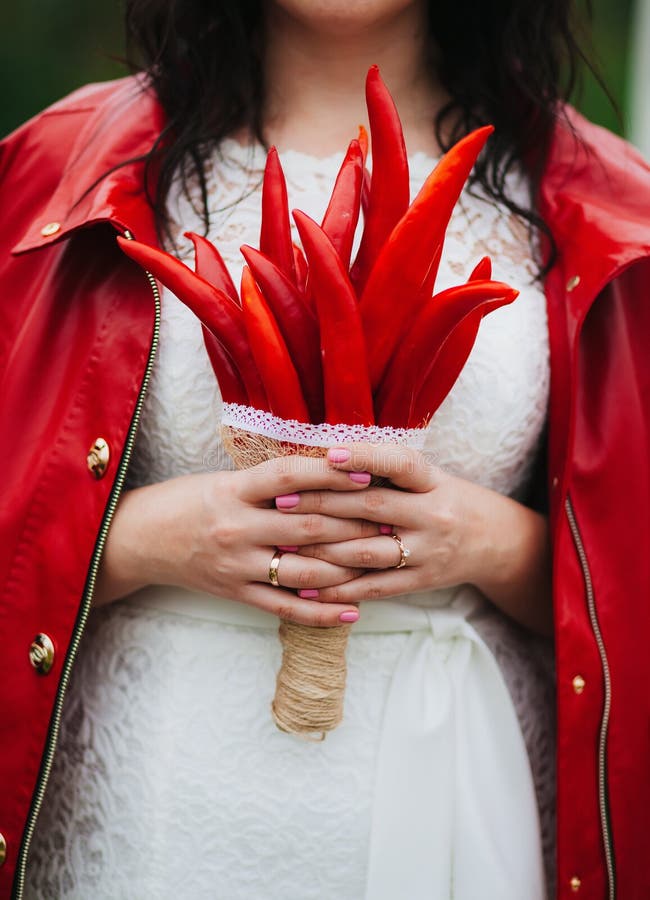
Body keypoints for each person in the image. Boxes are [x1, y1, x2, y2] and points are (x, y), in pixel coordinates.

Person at [1, 1, 649, 898]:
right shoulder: (52, 170)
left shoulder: (610, 206)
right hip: (152, 805)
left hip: (463, 803)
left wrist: (498, 545)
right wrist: (139, 538)